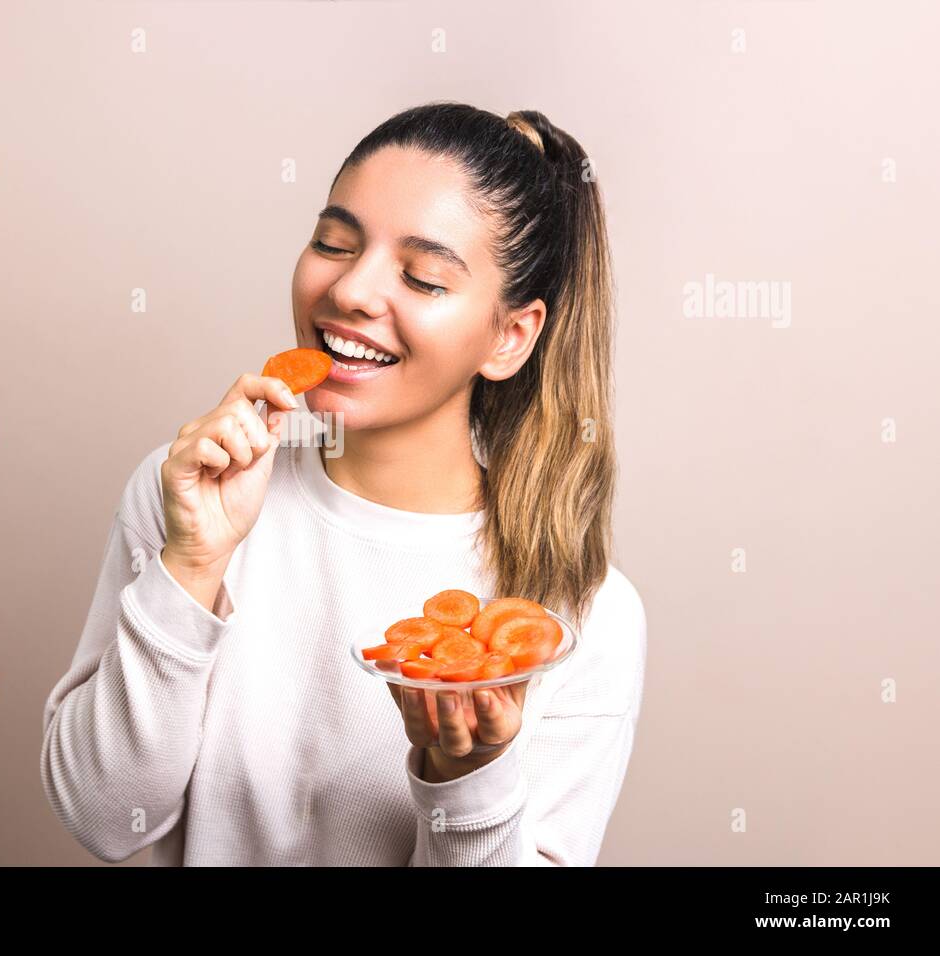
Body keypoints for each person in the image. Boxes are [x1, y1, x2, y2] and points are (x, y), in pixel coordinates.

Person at [41, 103, 647, 866]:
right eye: (333, 243)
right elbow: (103, 817)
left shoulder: (580, 616)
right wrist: (190, 567)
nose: (352, 290)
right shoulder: (190, 496)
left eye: (423, 278)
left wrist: (466, 780)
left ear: (508, 337)